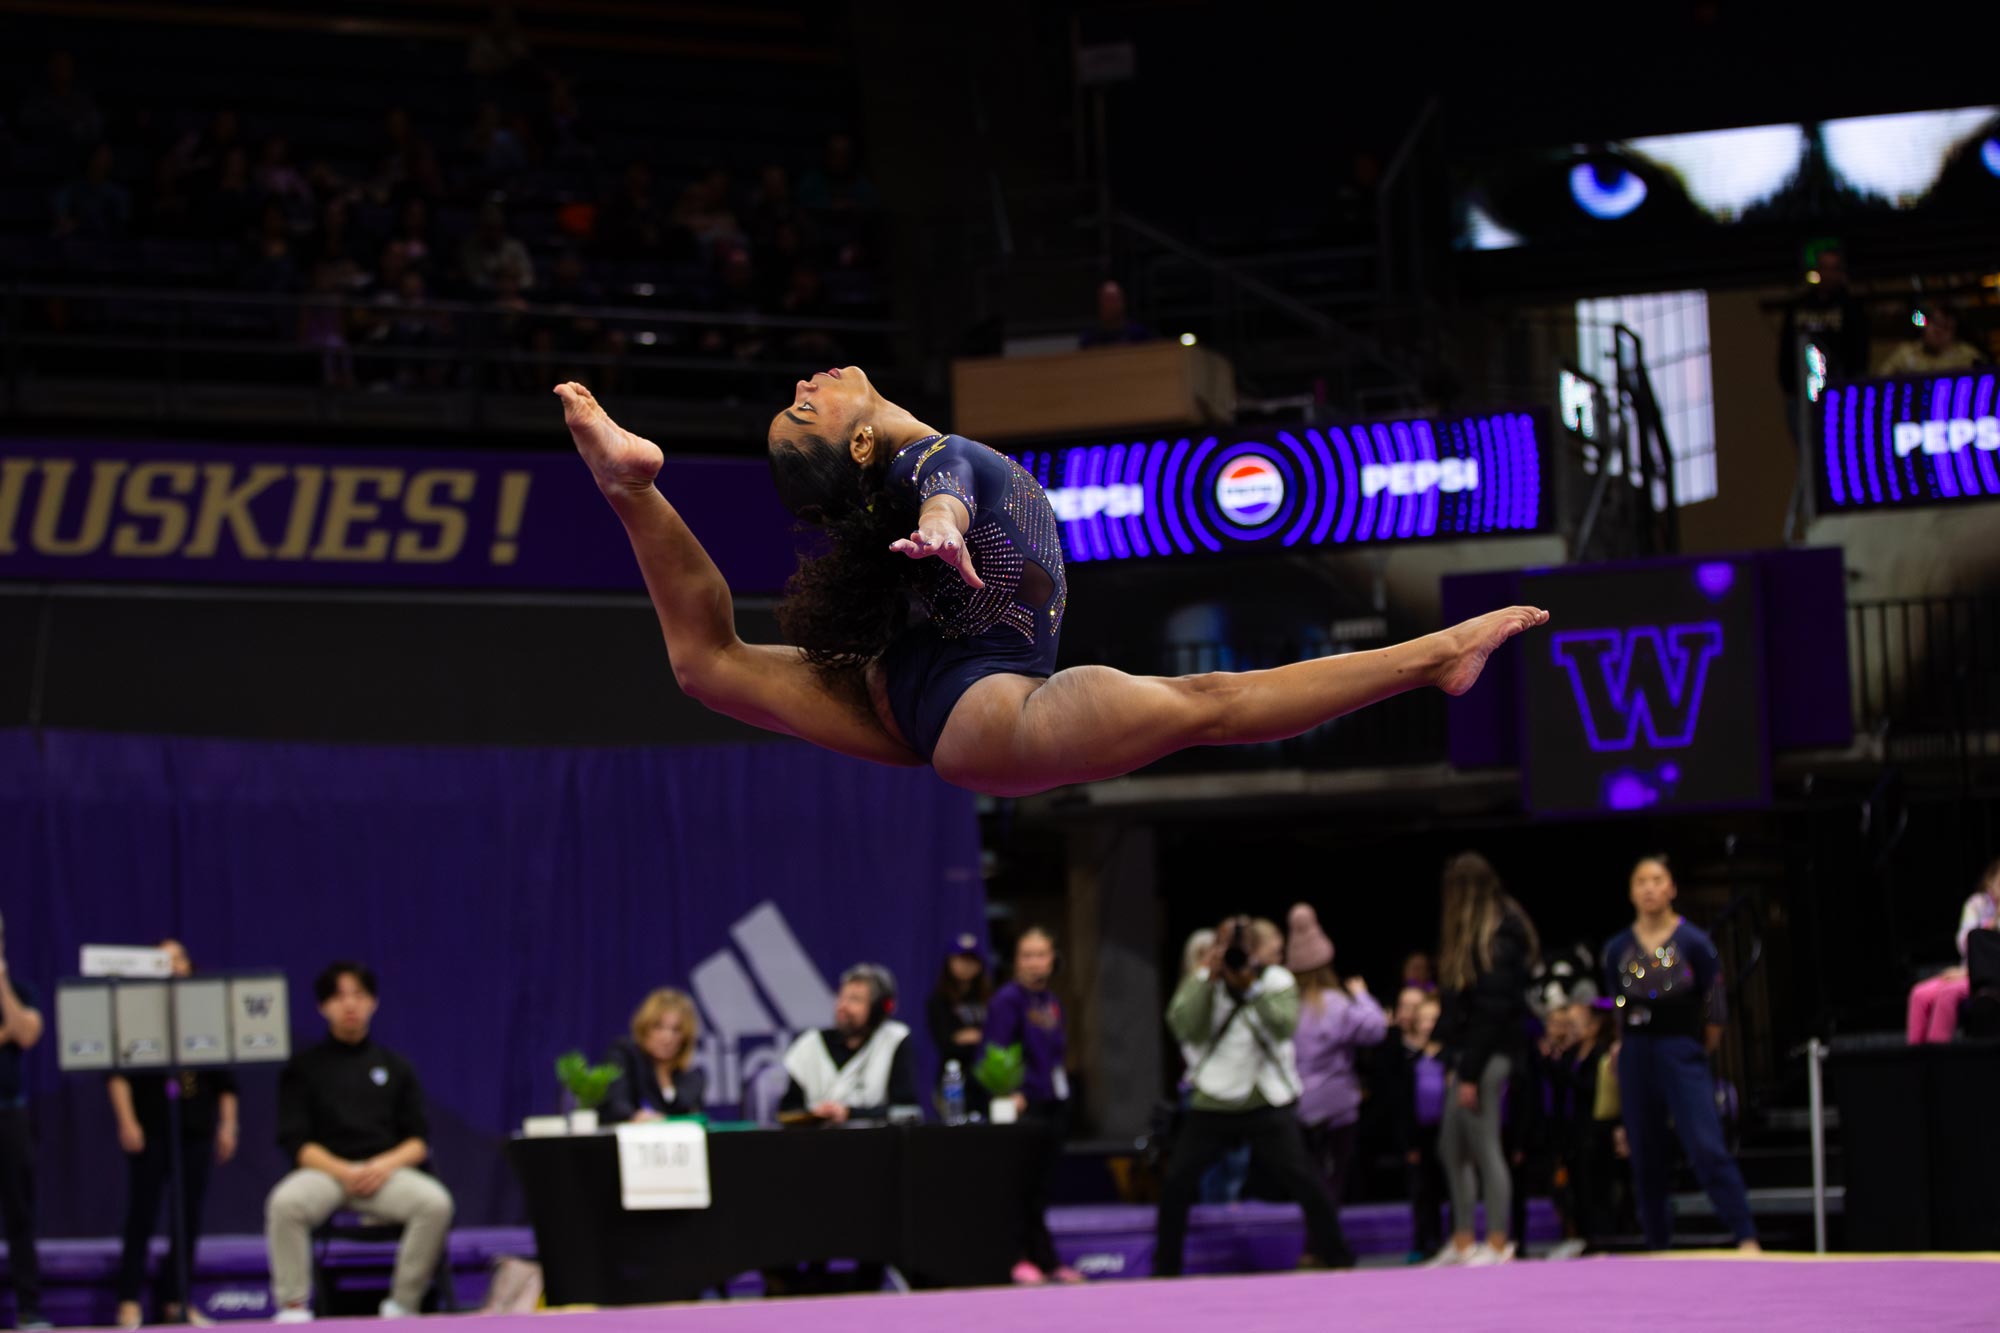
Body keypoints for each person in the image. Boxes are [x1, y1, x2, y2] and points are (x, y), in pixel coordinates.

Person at [554, 377, 1546, 798]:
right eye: (800, 413)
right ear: (859, 444)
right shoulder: (929, 458)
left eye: (792, 401)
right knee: (1213, 700)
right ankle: (1435, 652)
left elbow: (941, 498)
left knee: (707, 663)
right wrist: (940, 524)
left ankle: (629, 489)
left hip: (913, 693)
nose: (804, 389)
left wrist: (940, 527)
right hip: (985, 705)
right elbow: (941, 488)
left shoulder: (922, 472)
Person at [1155, 917, 1353, 1276]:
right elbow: (1184, 1026)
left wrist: (1250, 986)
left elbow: (1282, 1026)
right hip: (1215, 1097)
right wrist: (1208, 981)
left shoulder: (1276, 981)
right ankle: (1164, 1269)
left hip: (1266, 1099)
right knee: (1177, 1182)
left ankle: (1338, 1257)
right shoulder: (1203, 981)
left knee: (1304, 1179)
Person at [266, 962, 454, 1322]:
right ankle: (292, 1307)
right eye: (338, 997)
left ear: (373, 1002)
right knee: (284, 1203)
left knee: (435, 1203)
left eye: (358, 995)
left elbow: (418, 1141)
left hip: (384, 1174)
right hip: (326, 1174)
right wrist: (343, 1170)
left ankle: (403, 1304)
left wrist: (379, 1167)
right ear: (323, 1007)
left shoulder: (395, 1066)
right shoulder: (304, 1068)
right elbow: (296, 1141)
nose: (349, 1005)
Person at [1603, 855, 1759, 1253]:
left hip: (1681, 1048)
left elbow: (1715, 1005)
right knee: (1645, 1151)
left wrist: (1697, 1048)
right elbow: (1618, 1009)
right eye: (1641, 881)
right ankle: (1658, 1244)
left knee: (1704, 1143)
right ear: (1631, 891)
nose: (1650, 888)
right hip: (1637, 1052)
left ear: (1671, 888)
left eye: (1657, 880)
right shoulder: (1617, 948)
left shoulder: (1694, 943)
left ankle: (1745, 1235)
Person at [110, 940, 241, 1330]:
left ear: (189, 966)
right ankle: (129, 1301)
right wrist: (127, 1120)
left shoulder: (205, 1013)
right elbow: (116, 1071)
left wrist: (228, 1123)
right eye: (161, 960)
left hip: (196, 1126)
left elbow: (225, 1078)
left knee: (188, 1216)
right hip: (151, 1126)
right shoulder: (136, 1012)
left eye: (178, 958)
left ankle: (177, 1300)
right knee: (143, 1213)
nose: (171, 965)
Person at [1428, 852, 1537, 1267]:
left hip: (1492, 1054)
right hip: (1470, 1054)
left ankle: (1496, 1242)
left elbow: (1493, 1012)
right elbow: (1462, 1005)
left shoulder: (1499, 936)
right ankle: (1461, 1240)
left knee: (1484, 1142)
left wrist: (1469, 1072)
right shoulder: (1474, 936)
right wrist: (1445, 1047)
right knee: (1450, 1146)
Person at [983, 928, 1079, 1285]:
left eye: (1041, 954)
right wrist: (1010, 1091)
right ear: (1016, 960)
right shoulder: (1007, 1000)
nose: (1035, 962)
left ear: (1053, 959)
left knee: (1042, 1186)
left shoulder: (1051, 1001)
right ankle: (1018, 1257)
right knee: (1020, 1185)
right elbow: (995, 1052)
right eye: (1027, 955)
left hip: (1052, 1101)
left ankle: (1047, 1259)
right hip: (1025, 1107)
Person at [1286, 904, 1387, 1220]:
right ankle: (1325, 1244)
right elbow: (1375, 1029)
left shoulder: (1286, 1007)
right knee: (1334, 1177)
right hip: (1337, 1104)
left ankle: (1313, 1244)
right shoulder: (1337, 1003)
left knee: (1308, 1177)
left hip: (1297, 1103)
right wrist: (1363, 996)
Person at [778, 964, 917, 1122]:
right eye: (841, 997)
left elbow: (906, 1112)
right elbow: (786, 1112)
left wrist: (849, 1114)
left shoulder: (894, 1039)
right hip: (818, 1142)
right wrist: (813, 1114)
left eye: (855, 1000)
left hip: (875, 1143)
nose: (843, 1006)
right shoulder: (810, 1044)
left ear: (877, 1008)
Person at [0, 912, 48, 1331]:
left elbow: (27, 1032)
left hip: (9, 1112)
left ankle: (29, 1309)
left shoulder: (20, 989)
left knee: (20, 1213)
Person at [1907, 858, 2000, 1044]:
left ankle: (1938, 1062)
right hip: (1967, 970)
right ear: (1990, 879)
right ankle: (1914, 1062)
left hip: (1987, 975)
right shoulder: (1976, 904)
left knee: (1947, 994)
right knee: (1919, 994)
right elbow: (1964, 942)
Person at [1384, 992, 1447, 1262]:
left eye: (1434, 1019)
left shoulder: (1450, 1052)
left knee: (1449, 1188)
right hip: (1418, 1133)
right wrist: (1408, 1141)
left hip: (1446, 1131)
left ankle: (1455, 1240)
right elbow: (1400, 1101)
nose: (1429, 1025)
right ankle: (1423, 1243)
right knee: (1422, 1191)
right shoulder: (1403, 1053)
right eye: (1424, 1019)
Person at [601, 989, 706, 1124]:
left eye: (676, 1030)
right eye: (659, 1027)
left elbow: (690, 1113)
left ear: (685, 1037)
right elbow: (615, 1105)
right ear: (644, 1028)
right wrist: (635, 1117)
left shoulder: (692, 1076)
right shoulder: (624, 1055)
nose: (667, 1038)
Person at [924, 934, 991, 1117]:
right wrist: (976, 1037)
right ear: (949, 962)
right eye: (960, 959)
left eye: (971, 960)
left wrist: (969, 1037)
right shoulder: (939, 1001)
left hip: (984, 1080)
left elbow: (992, 1040)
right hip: (952, 1079)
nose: (965, 965)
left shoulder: (988, 998)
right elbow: (946, 1042)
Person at [1874, 303, 1986, 377]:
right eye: (1935, 323)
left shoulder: (1968, 356)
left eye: (1946, 327)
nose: (1938, 331)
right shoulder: (1906, 352)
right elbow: (1881, 379)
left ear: (1954, 334)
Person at [1077, 280, 1154, 348]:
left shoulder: (1139, 334)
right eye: (1107, 300)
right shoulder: (1090, 338)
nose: (1111, 305)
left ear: (1122, 303)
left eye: (1114, 300)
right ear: (1100, 304)